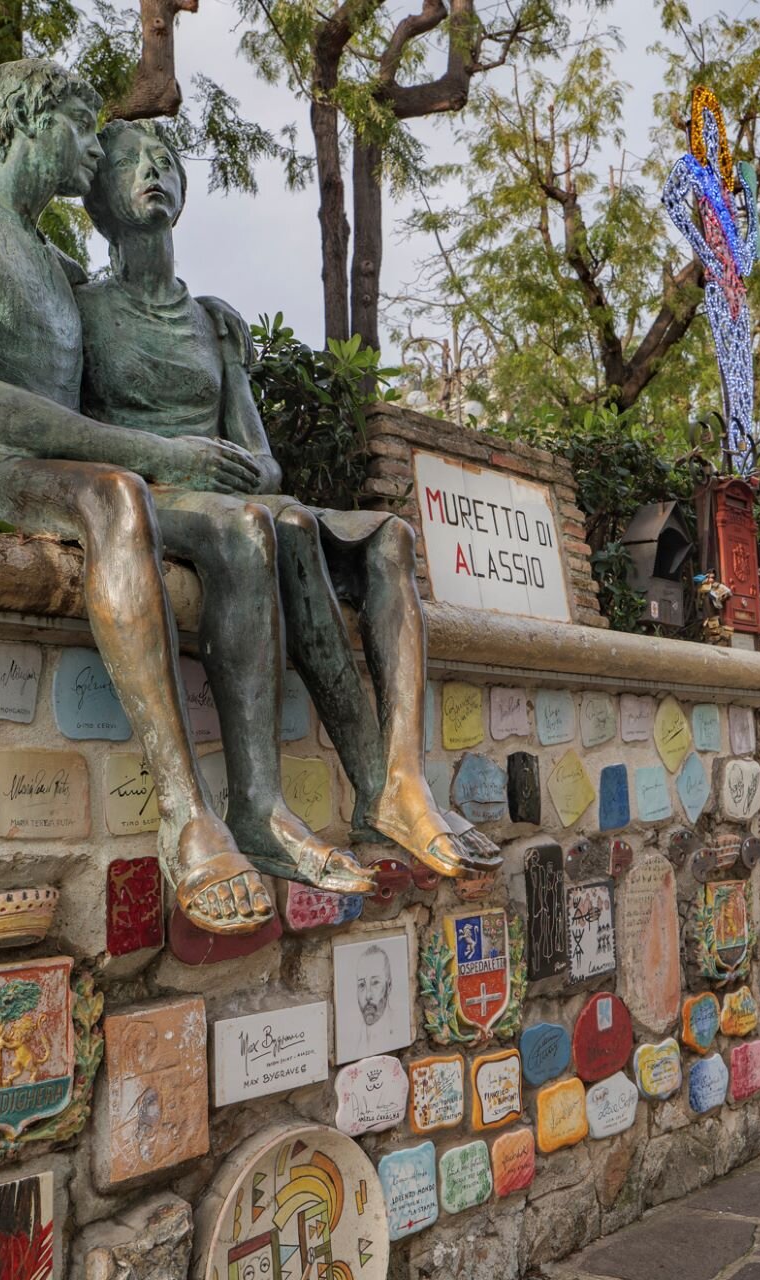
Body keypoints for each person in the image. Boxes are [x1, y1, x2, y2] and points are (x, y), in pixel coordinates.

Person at [0, 59, 301, 934]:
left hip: (56, 473)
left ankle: (259, 804)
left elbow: (124, 339)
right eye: (80, 130)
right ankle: (188, 812)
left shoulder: (66, 270)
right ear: (26, 123)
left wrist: (215, 322)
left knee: (237, 534)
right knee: (119, 499)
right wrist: (152, 451)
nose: (93, 152)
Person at [74, 116, 501, 879]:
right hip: (158, 493)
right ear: (97, 198)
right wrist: (188, 463)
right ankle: (330, 796)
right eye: (133, 163)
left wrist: (232, 453)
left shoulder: (209, 320)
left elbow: (264, 463)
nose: (155, 171)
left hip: (239, 492)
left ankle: (401, 781)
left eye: (167, 160)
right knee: (280, 528)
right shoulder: (83, 309)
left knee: (389, 538)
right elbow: (78, 436)